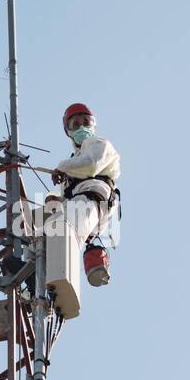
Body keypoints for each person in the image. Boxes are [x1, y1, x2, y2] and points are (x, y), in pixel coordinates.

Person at [49, 103, 121, 286]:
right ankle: (35, 276)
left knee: (65, 232)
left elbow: (91, 164)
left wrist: (62, 167)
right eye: (75, 124)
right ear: (69, 131)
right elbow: (69, 193)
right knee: (47, 233)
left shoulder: (98, 145)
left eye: (85, 122)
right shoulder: (73, 162)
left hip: (92, 198)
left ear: (93, 125)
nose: (81, 127)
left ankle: (60, 274)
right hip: (79, 202)